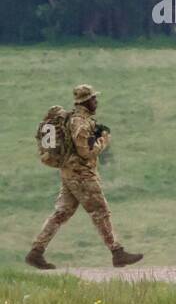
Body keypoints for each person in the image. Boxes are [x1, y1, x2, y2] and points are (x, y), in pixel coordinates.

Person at [27, 85, 144, 269]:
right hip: (81, 174)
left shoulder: (75, 119)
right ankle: (117, 252)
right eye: (93, 99)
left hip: (70, 173)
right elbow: (86, 152)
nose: (96, 101)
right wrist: (103, 138)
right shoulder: (80, 122)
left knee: (62, 212)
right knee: (101, 211)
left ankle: (36, 252)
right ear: (85, 102)